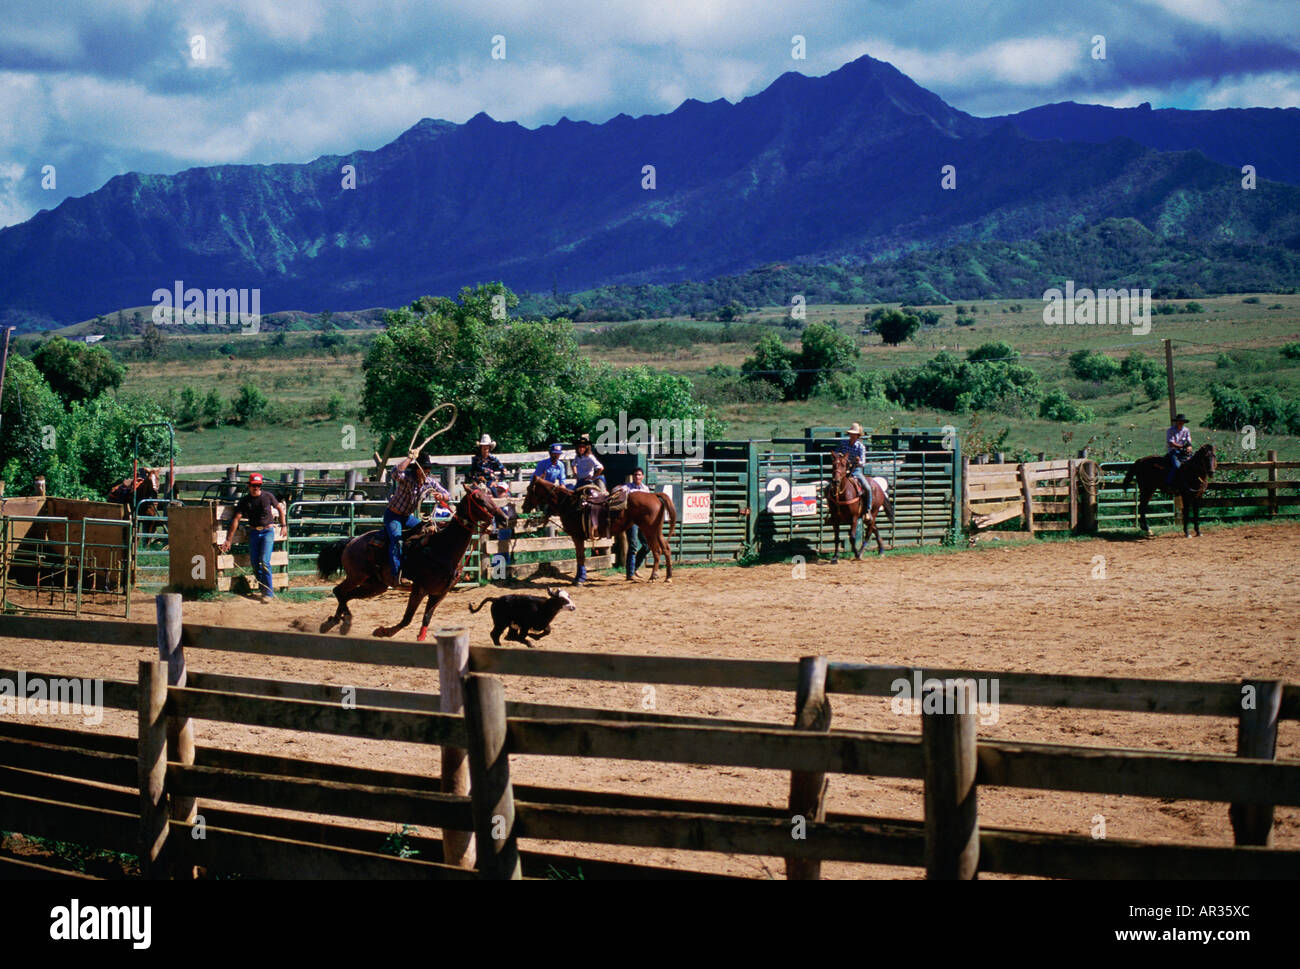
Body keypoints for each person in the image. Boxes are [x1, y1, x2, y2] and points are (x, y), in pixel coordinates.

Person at [383, 450, 451, 586]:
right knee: (397, 541)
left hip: (407, 517)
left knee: (429, 532)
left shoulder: (429, 483)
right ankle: (397, 575)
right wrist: (409, 458)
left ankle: (420, 569)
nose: (427, 471)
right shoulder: (407, 477)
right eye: (424, 468)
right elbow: (395, 473)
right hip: (393, 516)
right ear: (417, 468)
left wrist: (441, 496)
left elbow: (446, 494)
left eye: (429, 468)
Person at [220, 473, 287, 601]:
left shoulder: (268, 496)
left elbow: (279, 508)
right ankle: (264, 587)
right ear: (248, 486)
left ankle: (268, 593)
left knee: (265, 561)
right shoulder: (245, 501)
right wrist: (229, 539)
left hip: (267, 531)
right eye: (253, 485)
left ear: (260, 486)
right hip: (254, 533)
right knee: (255, 563)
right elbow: (236, 518)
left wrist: (284, 525)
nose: (256, 488)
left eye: (258, 485)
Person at [624, 467, 651, 580]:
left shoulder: (646, 489)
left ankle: (635, 568)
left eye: (639, 475)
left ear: (642, 476)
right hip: (631, 520)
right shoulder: (627, 488)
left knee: (647, 546)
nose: (637, 477)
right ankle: (630, 573)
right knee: (633, 545)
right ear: (633, 476)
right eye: (635, 475)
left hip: (642, 521)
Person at [835, 422, 871, 495]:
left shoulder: (861, 447)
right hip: (843, 469)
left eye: (854, 434)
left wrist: (858, 462)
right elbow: (836, 452)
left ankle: (868, 506)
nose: (852, 435)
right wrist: (839, 455)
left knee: (868, 488)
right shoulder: (843, 443)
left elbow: (863, 463)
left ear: (858, 435)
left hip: (856, 470)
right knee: (831, 485)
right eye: (851, 433)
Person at [1165, 414, 1193, 485]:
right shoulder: (1170, 430)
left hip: (1184, 452)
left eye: (1182, 421)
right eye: (1179, 421)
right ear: (1176, 422)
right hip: (1173, 451)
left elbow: (1189, 441)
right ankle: (1169, 483)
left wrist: (1189, 447)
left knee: (1194, 464)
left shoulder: (1186, 430)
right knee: (1177, 466)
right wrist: (1182, 447)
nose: (1181, 422)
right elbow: (1171, 443)